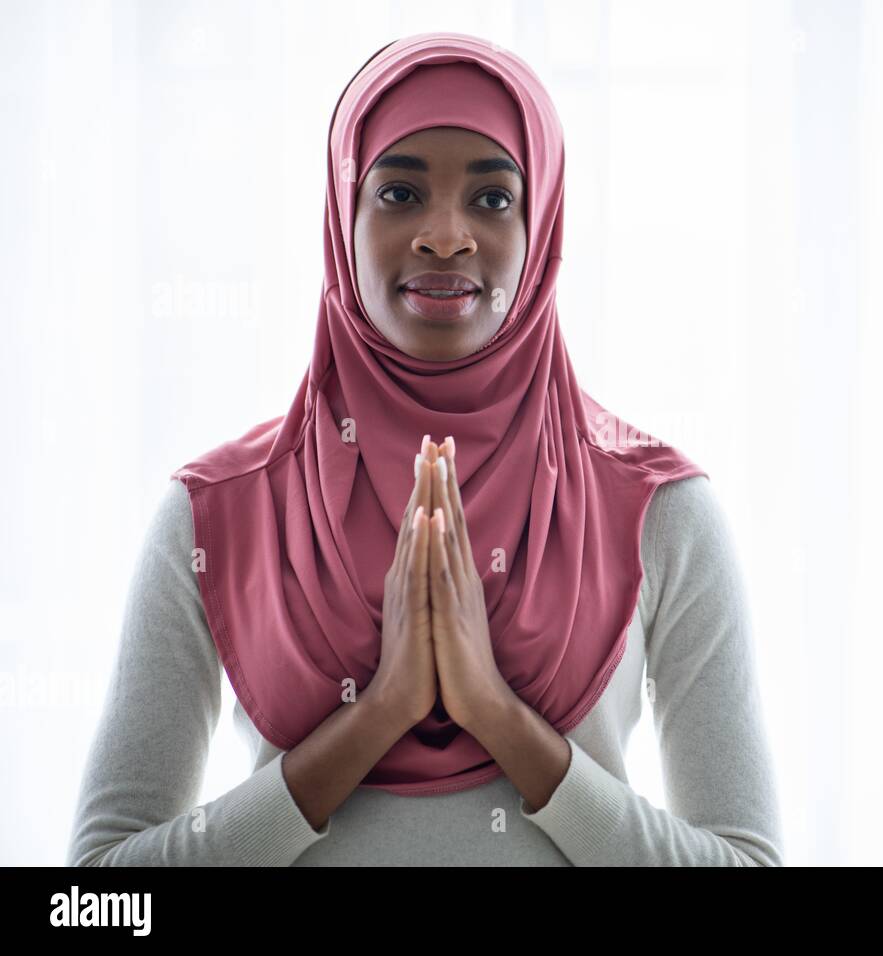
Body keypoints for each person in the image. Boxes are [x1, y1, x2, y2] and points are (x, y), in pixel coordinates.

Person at [66, 32, 782, 866]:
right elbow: (97, 894)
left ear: (543, 220)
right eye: (401, 191)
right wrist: (376, 715)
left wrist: (498, 715)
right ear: (343, 218)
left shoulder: (658, 509)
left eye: (493, 200)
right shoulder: (215, 512)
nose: (446, 236)